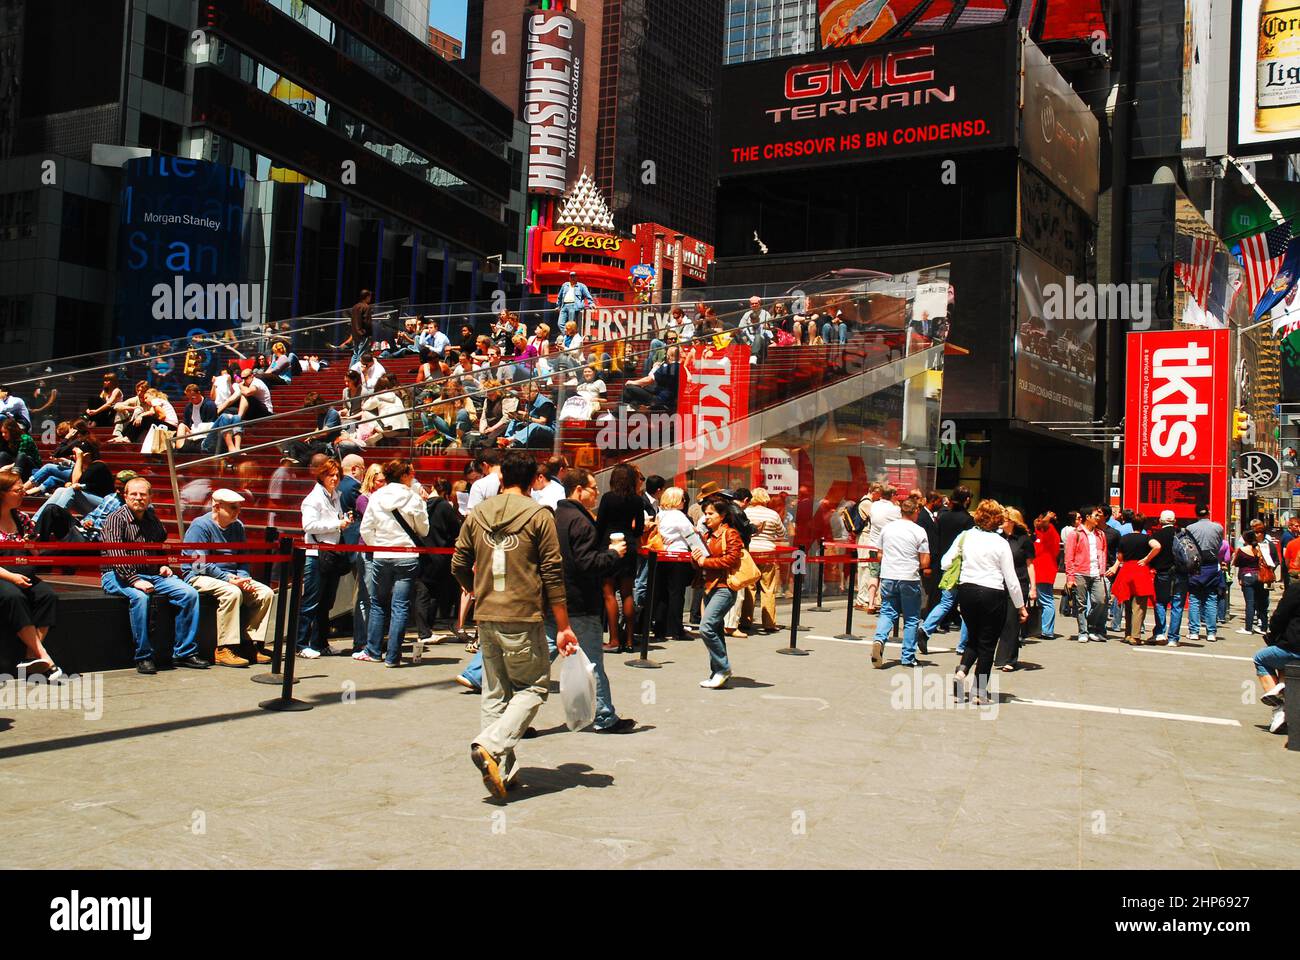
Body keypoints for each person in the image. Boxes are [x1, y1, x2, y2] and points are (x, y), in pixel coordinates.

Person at [453, 451, 578, 800]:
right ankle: (491, 746)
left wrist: (473, 589)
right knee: (533, 688)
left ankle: (502, 771)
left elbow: (459, 561)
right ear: (531, 479)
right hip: (523, 613)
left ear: (502, 477)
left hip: (488, 613)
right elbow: (553, 572)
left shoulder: (478, 513)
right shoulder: (539, 515)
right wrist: (564, 624)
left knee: (494, 692)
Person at [553, 468, 636, 733]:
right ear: (578, 490)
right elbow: (587, 563)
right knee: (593, 662)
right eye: (592, 488)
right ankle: (604, 716)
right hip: (580, 601)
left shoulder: (557, 517)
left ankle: (519, 710)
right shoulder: (581, 522)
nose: (596, 493)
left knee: (539, 660)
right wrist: (612, 554)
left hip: (554, 600)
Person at [100, 477, 207, 674]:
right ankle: (144, 656)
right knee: (140, 598)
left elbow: (160, 546)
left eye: (143, 494)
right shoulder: (115, 518)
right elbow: (116, 554)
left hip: (151, 573)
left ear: (150, 497)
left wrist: (163, 565)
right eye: (133, 494)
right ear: (125, 497)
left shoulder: (152, 518)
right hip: (116, 574)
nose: (138, 498)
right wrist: (135, 580)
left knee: (189, 593)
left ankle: (184, 652)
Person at [182, 488, 275, 667]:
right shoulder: (199, 526)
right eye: (233, 508)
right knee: (231, 592)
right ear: (217, 507)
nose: (237, 512)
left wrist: (244, 578)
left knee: (265, 593)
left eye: (239, 508)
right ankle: (224, 648)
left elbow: (243, 558)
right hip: (199, 576)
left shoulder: (237, 526)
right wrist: (228, 579)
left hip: (230, 576)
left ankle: (250, 644)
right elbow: (198, 564)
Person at [946, 500, 1026, 704]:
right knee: (988, 643)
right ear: (998, 520)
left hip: (967, 590)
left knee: (974, 635)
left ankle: (961, 672)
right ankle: (979, 692)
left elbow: (945, 562)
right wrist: (1021, 606)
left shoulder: (965, 536)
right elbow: (1011, 579)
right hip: (992, 592)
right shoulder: (1000, 543)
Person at [356, 459, 430, 666]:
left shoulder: (377, 496)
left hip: (381, 555)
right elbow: (424, 530)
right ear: (404, 476)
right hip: (406, 555)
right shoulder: (413, 499)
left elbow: (366, 529)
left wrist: (378, 545)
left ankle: (373, 650)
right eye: (411, 473)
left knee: (378, 603)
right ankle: (393, 656)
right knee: (400, 606)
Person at [0, 471, 61, 679]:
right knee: (13, 596)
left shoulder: (22, 518)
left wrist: (32, 546)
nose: (23, 493)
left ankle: (29, 657)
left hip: (23, 573)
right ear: (3, 493)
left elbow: (33, 551)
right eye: (18, 490)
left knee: (47, 595)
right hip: (3, 575)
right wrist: (11, 577)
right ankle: (45, 658)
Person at [297, 458, 351, 658]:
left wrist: (342, 523)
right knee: (311, 601)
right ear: (321, 476)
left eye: (337, 475)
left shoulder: (335, 496)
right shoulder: (313, 499)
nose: (335, 479)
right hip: (317, 553)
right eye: (330, 475)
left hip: (332, 553)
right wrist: (337, 525)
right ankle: (301, 644)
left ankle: (320, 643)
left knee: (326, 602)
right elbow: (308, 525)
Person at [871, 496, 931, 669]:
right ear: (916, 511)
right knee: (912, 618)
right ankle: (908, 657)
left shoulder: (887, 529)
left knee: (887, 612)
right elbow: (925, 561)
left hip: (889, 574)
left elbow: (880, 554)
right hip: (909, 576)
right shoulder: (919, 531)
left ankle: (879, 639)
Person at [693, 496, 744, 689]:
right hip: (709, 586)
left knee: (705, 628)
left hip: (724, 587)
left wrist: (705, 562)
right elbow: (699, 562)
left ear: (722, 515)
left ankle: (723, 668)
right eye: (705, 514)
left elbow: (732, 560)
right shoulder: (706, 535)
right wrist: (696, 558)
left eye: (711, 513)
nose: (707, 517)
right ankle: (717, 673)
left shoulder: (730, 534)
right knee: (714, 629)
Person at [917, 486, 974, 650]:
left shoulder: (942, 517)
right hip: (962, 565)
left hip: (945, 564)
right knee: (967, 606)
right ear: (967, 500)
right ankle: (963, 645)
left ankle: (925, 628)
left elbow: (936, 540)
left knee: (945, 601)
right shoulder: (968, 520)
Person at [597, 463, 643, 653]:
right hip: (629, 544)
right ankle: (630, 640)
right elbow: (639, 528)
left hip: (609, 543)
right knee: (627, 593)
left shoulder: (608, 498)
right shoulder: (636, 500)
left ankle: (614, 639)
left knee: (609, 594)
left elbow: (599, 525)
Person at [650, 486, 700, 642]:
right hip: (678, 557)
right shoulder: (678, 515)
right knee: (676, 594)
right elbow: (690, 534)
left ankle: (660, 628)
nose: (684, 502)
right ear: (677, 500)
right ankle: (676, 629)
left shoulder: (660, 514)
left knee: (661, 594)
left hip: (661, 556)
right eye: (683, 499)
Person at [993, 507, 1036, 670]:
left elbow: (1030, 565)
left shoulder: (1024, 540)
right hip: (999, 583)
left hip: (1019, 584)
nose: (1000, 521)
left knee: (1012, 621)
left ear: (1012, 521)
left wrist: (1033, 587)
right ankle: (1003, 655)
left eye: (1003, 519)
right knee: (1001, 621)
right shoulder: (998, 538)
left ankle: (1009, 660)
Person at [1256, 579, 1300, 734]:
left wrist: (1272, 636)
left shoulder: (1296, 589)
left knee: (1261, 658)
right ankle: (1283, 691)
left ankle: (1279, 705)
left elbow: (1280, 616)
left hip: (1294, 647)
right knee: (1282, 658)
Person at [744, 488, 788, 633]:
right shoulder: (773, 514)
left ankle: (745, 621)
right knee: (768, 588)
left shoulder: (746, 512)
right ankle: (769, 623)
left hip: (750, 552)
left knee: (749, 587)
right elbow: (782, 533)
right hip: (767, 553)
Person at [1064, 505, 1110, 642]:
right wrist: (1070, 577)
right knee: (1081, 604)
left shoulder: (1101, 534)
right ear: (1088, 517)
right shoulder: (1075, 534)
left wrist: (1102, 570)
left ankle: (1091, 625)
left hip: (1097, 573)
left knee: (1101, 600)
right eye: (1095, 515)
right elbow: (1069, 557)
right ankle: (1083, 631)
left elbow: (1103, 553)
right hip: (1080, 572)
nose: (1098, 518)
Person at [857, 483, 900, 613]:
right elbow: (899, 523)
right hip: (888, 547)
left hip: (874, 545)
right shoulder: (895, 509)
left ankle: (870, 604)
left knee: (873, 575)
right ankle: (883, 602)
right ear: (892, 495)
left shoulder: (874, 506)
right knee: (886, 576)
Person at [1185, 504, 1225, 642]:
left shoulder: (1190, 528)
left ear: (1196, 514)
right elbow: (1220, 544)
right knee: (1211, 598)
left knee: (1195, 599)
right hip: (1212, 564)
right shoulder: (1218, 527)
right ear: (1209, 513)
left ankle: (1194, 631)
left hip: (1196, 564)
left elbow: (1188, 546)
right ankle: (1211, 632)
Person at [1149, 510, 1185, 646]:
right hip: (1181, 574)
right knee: (1177, 605)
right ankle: (1173, 638)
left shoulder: (1157, 535)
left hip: (1163, 573)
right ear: (1174, 521)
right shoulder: (1182, 534)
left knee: (1160, 602)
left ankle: (1159, 633)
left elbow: (1152, 554)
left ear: (1160, 521)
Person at [1233, 530, 1271, 635]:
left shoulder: (1242, 550)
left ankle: (1248, 628)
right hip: (1259, 576)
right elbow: (1268, 561)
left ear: (1245, 539)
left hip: (1246, 576)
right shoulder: (1261, 548)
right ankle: (1264, 627)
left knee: (1250, 603)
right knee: (1261, 602)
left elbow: (1237, 563)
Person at [1031, 512, 1060, 639]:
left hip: (1043, 571)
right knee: (1045, 600)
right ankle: (1045, 628)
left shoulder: (1049, 532)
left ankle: (1047, 630)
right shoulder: (1038, 534)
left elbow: (1044, 524)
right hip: (1041, 571)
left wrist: (1048, 517)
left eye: (1039, 520)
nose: (1037, 522)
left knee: (1046, 600)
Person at [174, 383, 217, 451]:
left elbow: (211, 424)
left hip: (204, 433)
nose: (191, 400)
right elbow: (186, 423)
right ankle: (180, 447)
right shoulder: (188, 407)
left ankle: (181, 447)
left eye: (193, 398)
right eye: (189, 398)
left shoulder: (209, 405)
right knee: (181, 425)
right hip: (192, 433)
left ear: (199, 393)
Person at [342, 289, 374, 365]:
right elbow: (367, 322)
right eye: (370, 297)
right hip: (363, 333)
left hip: (355, 334)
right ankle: (356, 372)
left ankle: (351, 371)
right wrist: (369, 334)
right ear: (367, 297)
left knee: (355, 354)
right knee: (361, 353)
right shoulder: (366, 307)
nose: (370, 298)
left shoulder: (355, 307)